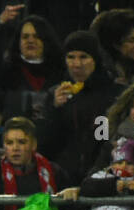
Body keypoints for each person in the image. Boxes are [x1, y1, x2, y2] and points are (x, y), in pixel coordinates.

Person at [39, 30, 123, 184]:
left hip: (102, 175)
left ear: (95, 60)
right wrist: (55, 109)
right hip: (62, 176)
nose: (76, 64)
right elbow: (46, 144)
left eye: (83, 57)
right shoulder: (55, 94)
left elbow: (103, 136)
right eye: (71, 57)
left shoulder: (112, 94)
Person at [0, 15, 65, 123]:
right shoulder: (6, 72)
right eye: (25, 37)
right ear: (18, 41)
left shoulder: (60, 72)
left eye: (36, 36)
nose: (30, 40)